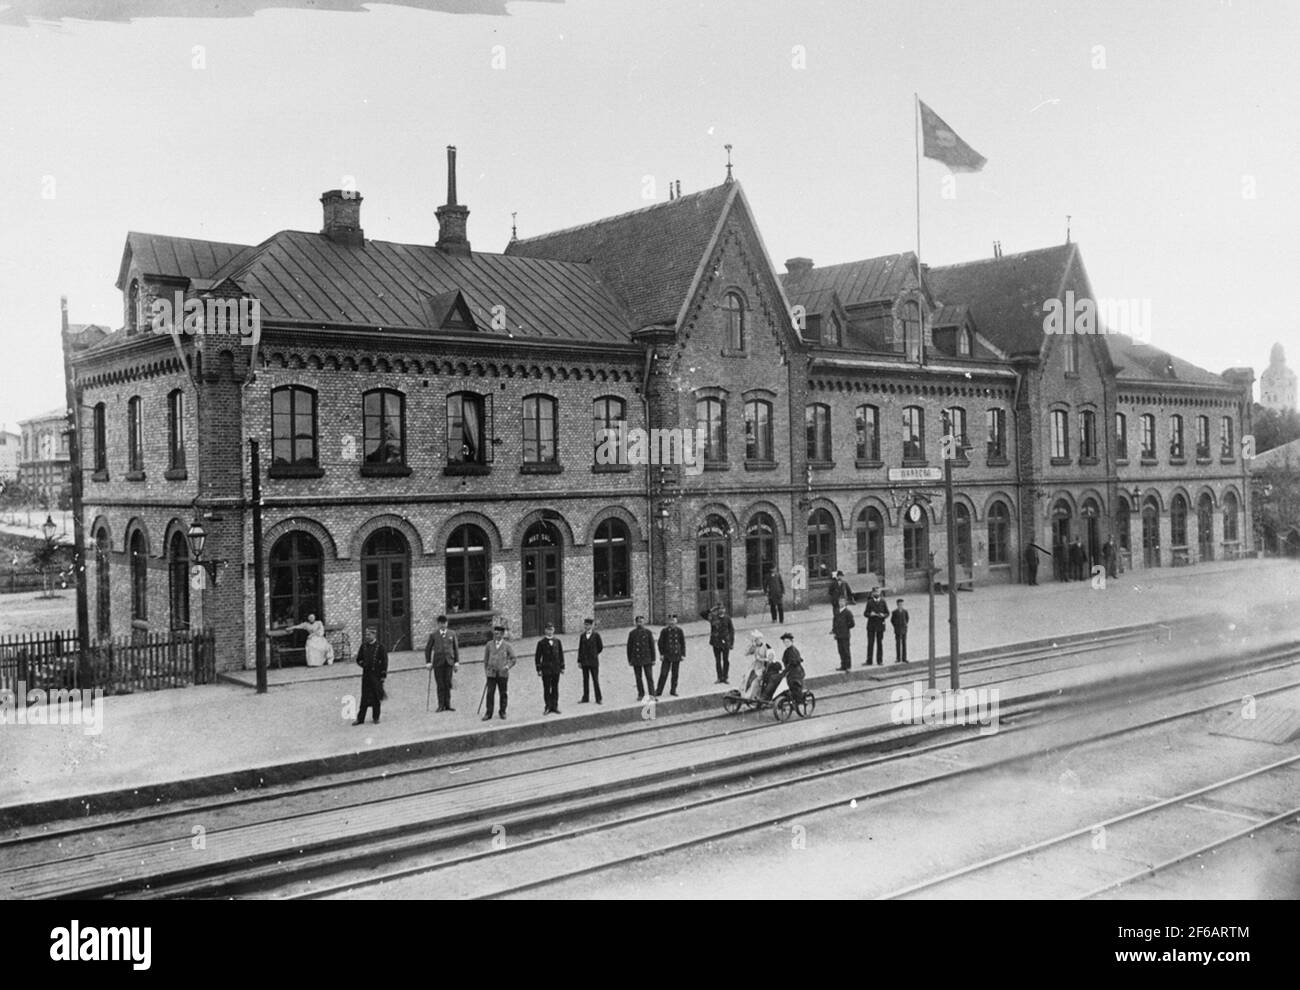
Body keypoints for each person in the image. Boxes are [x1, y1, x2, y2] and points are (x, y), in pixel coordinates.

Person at [423, 614, 459, 712]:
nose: (443, 625)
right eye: (441, 623)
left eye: (445, 623)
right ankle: (440, 705)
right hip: (438, 662)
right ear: (438, 624)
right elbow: (428, 649)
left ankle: (448, 704)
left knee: (447, 683)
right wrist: (428, 662)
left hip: (449, 662)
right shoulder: (434, 635)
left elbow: (455, 648)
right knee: (440, 684)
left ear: (447, 623)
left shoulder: (452, 634)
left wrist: (456, 662)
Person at [353, 625, 388, 726]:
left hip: (376, 676)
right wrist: (363, 665)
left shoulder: (380, 647)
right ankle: (360, 719)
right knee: (364, 697)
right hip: (366, 676)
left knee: (376, 697)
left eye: (369, 634)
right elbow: (358, 659)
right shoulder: (363, 646)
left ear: (374, 634)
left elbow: (385, 662)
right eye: (366, 634)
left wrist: (383, 675)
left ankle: (376, 717)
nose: (367, 636)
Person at [481, 624, 516, 721]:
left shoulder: (507, 646)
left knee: (503, 693)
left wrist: (507, 666)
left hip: (502, 674)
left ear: (502, 634)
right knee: (490, 693)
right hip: (491, 674)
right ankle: (488, 713)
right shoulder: (489, 645)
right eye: (495, 634)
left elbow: (513, 659)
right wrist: (486, 671)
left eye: (499, 634)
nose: (496, 636)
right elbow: (486, 659)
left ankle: (502, 711)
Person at [534, 622, 565, 715]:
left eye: (551, 629)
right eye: (548, 630)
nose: (550, 631)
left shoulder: (557, 641)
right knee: (547, 688)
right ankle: (547, 706)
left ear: (554, 630)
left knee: (555, 687)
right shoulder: (541, 643)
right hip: (546, 669)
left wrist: (562, 667)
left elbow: (561, 655)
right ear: (545, 631)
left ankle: (555, 706)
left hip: (556, 668)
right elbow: (537, 657)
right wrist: (538, 669)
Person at [701, 604, 735, 684]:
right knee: (718, 660)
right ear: (717, 610)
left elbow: (731, 631)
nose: (721, 610)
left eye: (723, 609)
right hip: (716, 643)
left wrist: (731, 643)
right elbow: (702, 614)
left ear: (725, 610)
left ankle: (725, 677)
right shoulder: (713, 618)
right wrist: (711, 609)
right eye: (719, 609)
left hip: (725, 643)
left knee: (726, 660)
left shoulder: (727, 618)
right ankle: (719, 677)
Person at [656, 612, 686, 697]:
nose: (672, 622)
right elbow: (660, 643)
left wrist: (683, 654)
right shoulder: (664, 631)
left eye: (674, 620)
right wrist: (661, 654)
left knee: (675, 674)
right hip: (667, 656)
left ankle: (673, 690)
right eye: (670, 620)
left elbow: (682, 643)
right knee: (663, 673)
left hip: (676, 655)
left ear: (676, 621)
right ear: (668, 622)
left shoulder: (679, 631)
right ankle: (658, 691)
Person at [626, 615, 656, 701]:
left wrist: (653, 659)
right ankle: (641, 694)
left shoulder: (648, 632)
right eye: (638, 622)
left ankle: (652, 695)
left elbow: (652, 646)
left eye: (641, 622)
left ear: (644, 622)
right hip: (636, 659)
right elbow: (629, 648)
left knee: (649, 677)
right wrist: (630, 660)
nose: (640, 624)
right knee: (638, 678)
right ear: (636, 623)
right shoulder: (632, 634)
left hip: (647, 658)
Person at [577, 617, 603, 704]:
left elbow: (600, 647)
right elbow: (580, 649)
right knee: (585, 680)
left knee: (595, 680)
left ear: (591, 626)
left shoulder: (596, 635)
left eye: (588, 625)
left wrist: (594, 654)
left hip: (593, 662)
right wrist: (579, 661)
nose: (586, 626)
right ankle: (585, 697)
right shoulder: (582, 636)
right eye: (585, 625)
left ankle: (598, 698)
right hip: (584, 661)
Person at [741, 630, 770, 700]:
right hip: (755, 665)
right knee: (746, 677)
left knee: (755, 679)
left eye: (757, 639)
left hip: (763, 666)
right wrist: (751, 645)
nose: (756, 641)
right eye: (755, 639)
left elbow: (770, 659)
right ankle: (744, 694)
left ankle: (752, 696)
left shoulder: (766, 646)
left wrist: (761, 659)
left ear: (760, 639)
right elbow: (746, 653)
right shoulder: (755, 646)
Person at [864, 587, 889, 666]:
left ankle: (879, 660)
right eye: (875, 592)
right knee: (870, 643)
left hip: (880, 625)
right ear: (872, 593)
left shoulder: (883, 601)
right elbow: (865, 613)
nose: (876, 594)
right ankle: (869, 660)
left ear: (880, 593)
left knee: (879, 643)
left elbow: (887, 613)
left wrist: (883, 615)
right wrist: (870, 614)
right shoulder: (869, 602)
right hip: (871, 625)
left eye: (878, 592)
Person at [779, 631, 804, 704]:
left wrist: (785, 670)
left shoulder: (793, 650)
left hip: (796, 672)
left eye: (788, 642)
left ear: (791, 642)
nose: (786, 643)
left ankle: (799, 700)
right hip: (790, 671)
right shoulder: (787, 650)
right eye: (785, 642)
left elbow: (794, 662)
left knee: (794, 685)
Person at [831, 597, 855, 671]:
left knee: (846, 650)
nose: (841, 603)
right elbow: (835, 622)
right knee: (840, 650)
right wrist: (834, 630)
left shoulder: (848, 612)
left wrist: (845, 627)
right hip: (838, 635)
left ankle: (848, 666)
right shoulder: (837, 612)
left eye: (842, 602)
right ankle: (843, 665)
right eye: (840, 601)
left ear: (845, 603)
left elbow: (852, 624)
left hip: (845, 635)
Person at [891, 598, 909, 663]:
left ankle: (904, 658)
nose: (900, 606)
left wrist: (905, 625)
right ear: (897, 605)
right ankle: (898, 658)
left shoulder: (905, 611)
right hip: (897, 630)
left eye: (902, 604)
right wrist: (896, 626)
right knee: (898, 644)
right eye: (899, 604)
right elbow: (892, 620)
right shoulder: (894, 612)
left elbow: (907, 619)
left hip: (904, 629)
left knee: (904, 643)